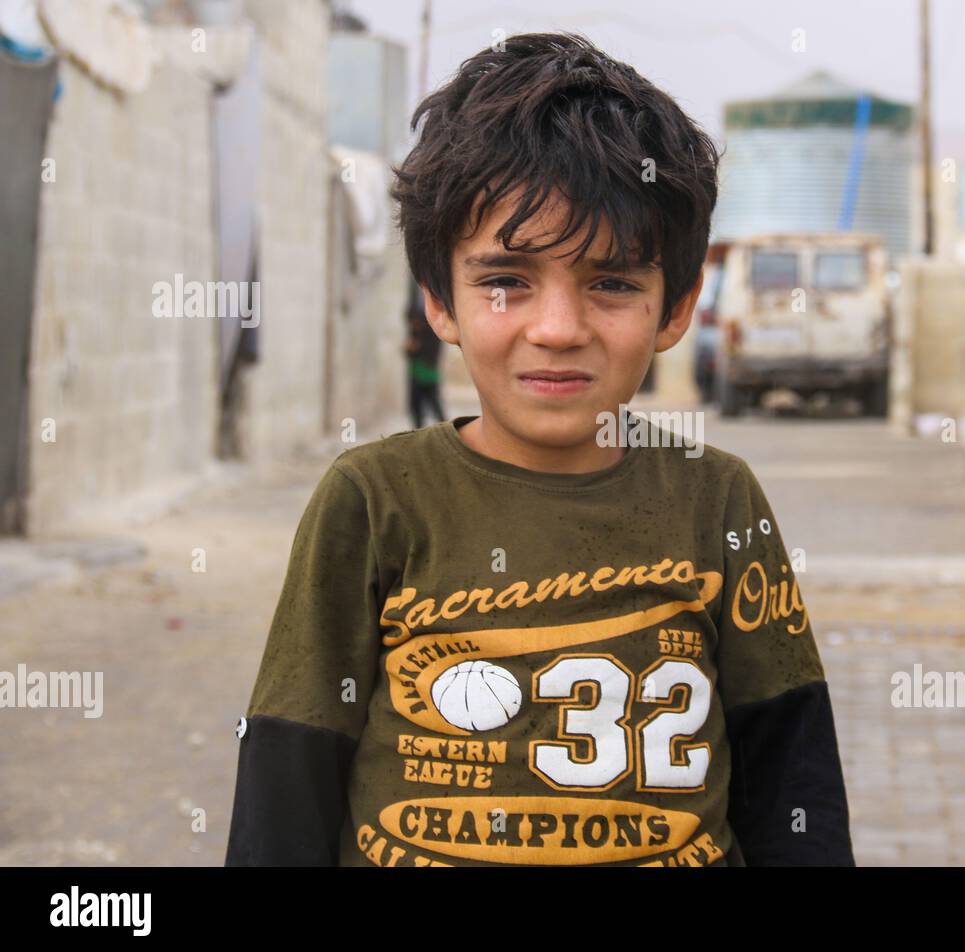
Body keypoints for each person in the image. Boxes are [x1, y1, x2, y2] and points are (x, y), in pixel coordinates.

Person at [225, 33, 853, 866]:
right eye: (505, 281)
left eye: (613, 283)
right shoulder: (375, 500)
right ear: (440, 302)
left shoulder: (718, 501)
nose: (557, 329)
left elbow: (792, 782)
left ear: (676, 309)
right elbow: (286, 778)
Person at [406, 276, 446, 427]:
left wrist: (415, 348)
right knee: (418, 407)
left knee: (434, 406)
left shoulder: (431, 331)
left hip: (428, 371)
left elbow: (428, 351)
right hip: (418, 371)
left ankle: (444, 431)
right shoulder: (418, 331)